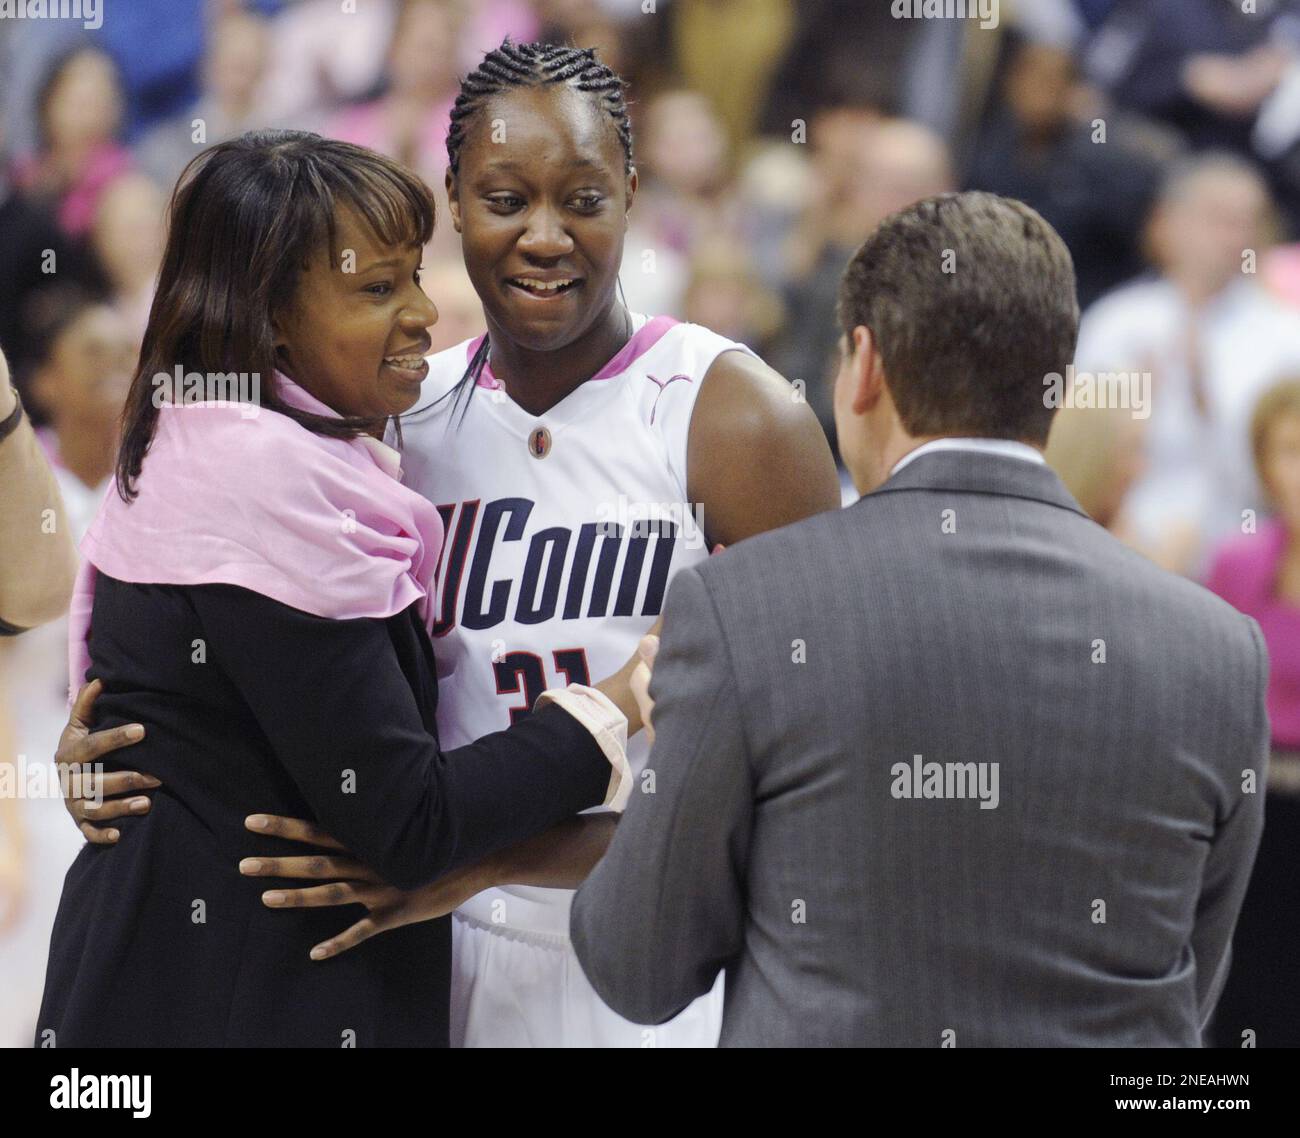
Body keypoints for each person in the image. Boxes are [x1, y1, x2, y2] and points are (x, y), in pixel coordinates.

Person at [63, 41, 840, 1049]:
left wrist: (482, 860)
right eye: (507, 198)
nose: (545, 238)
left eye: (585, 199)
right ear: (456, 201)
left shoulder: (737, 417)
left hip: (636, 944)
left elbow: (813, 771)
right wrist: (128, 750)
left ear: (635, 193)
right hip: (420, 955)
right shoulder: (387, 423)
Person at [569, 191, 1269, 1046]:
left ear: (863, 365)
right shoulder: (1219, 647)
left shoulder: (745, 606)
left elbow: (634, 967)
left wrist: (664, 752)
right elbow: (1190, 977)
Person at [35, 130, 641, 1049]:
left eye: (412, 276)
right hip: (242, 996)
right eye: (375, 288)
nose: (422, 314)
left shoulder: (211, 433)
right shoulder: (263, 479)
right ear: (270, 315)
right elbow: (409, 822)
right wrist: (614, 708)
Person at [1205, 378, 1300, 1048]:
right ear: (1263, 464)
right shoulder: (1237, 564)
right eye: (1290, 450)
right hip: (1250, 817)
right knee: (1248, 1001)